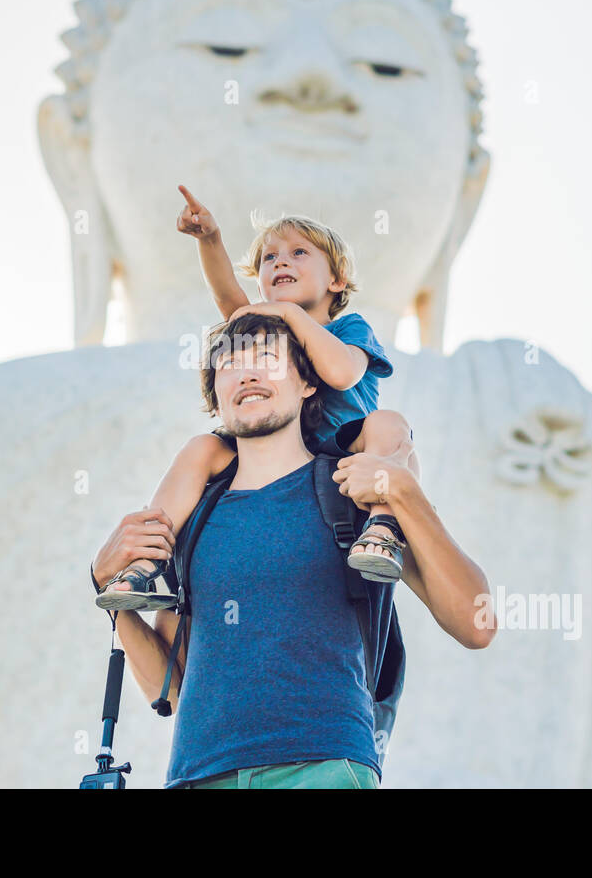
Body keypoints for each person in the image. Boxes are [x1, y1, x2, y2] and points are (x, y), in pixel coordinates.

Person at [90, 312, 494, 788]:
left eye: (267, 357)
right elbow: (174, 690)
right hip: (196, 775)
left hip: (321, 769)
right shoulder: (195, 517)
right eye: (229, 363)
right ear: (215, 395)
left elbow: (477, 625)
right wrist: (107, 593)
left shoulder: (354, 490)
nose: (248, 372)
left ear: (308, 383)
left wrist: (403, 492)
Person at [94, 185, 420, 610]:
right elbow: (232, 304)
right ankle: (147, 559)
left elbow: (341, 374)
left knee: (389, 423)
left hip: (344, 447)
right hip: (275, 446)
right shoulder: (271, 329)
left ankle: (383, 527)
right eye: (269, 258)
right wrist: (210, 240)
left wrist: (289, 314)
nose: (281, 260)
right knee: (202, 448)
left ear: (336, 281)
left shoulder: (350, 328)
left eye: (299, 253)